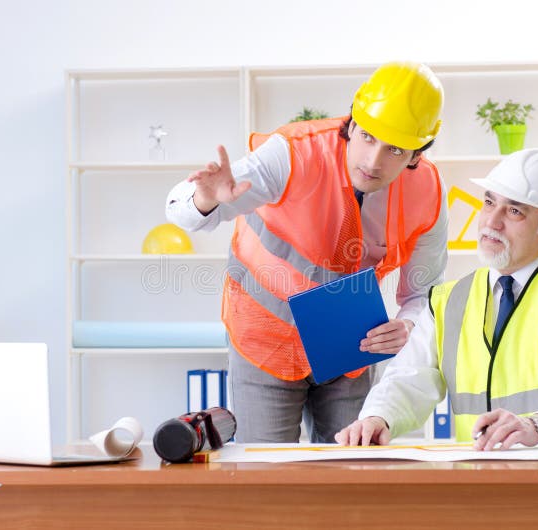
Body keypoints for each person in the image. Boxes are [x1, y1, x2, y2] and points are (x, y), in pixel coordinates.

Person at [166, 62, 449, 443]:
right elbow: (181, 211)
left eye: (395, 149)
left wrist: (409, 325)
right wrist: (204, 199)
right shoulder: (293, 153)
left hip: (350, 346)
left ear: (417, 155)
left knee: (349, 477)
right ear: (351, 123)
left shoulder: (427, 190)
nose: (373, 160)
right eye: (367, 136)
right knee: (269, 481)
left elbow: (424, 290)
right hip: (266, 340)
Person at [335, 148, 538, 450]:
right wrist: (378, 417)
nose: (492, 222)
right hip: (483, 472)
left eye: (514, 211)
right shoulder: (448, 299)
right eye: (489, 203)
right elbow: (409, 378)